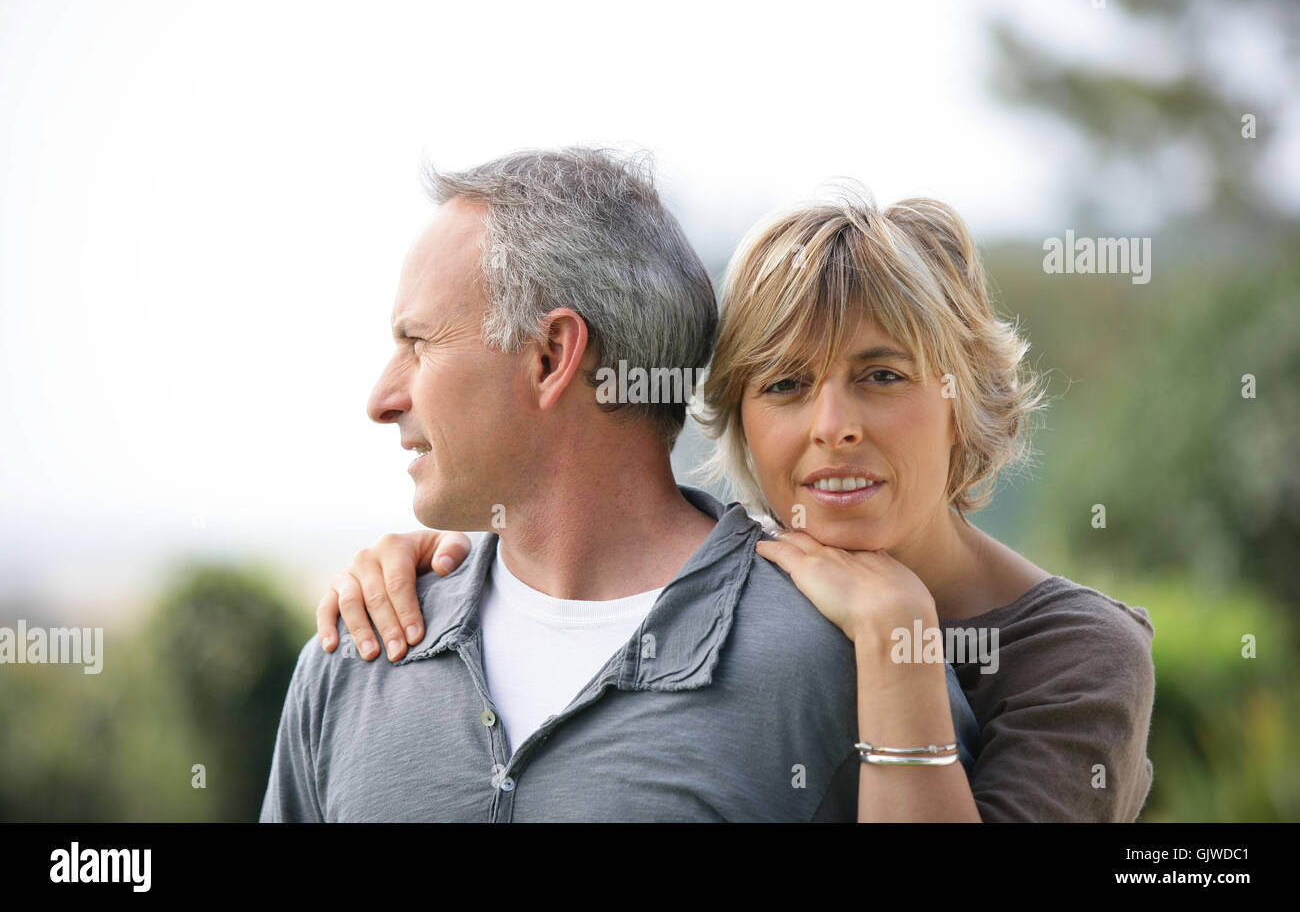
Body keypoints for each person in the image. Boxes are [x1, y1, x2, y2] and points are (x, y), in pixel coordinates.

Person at [319, 187, 1157, 822]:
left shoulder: (1083, 656)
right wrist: (436, 572)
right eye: (786, 385)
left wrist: (897, 644)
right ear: (741, 421)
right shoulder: (743, 597)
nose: (834, 428)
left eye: (881, 376)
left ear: (960, 396)